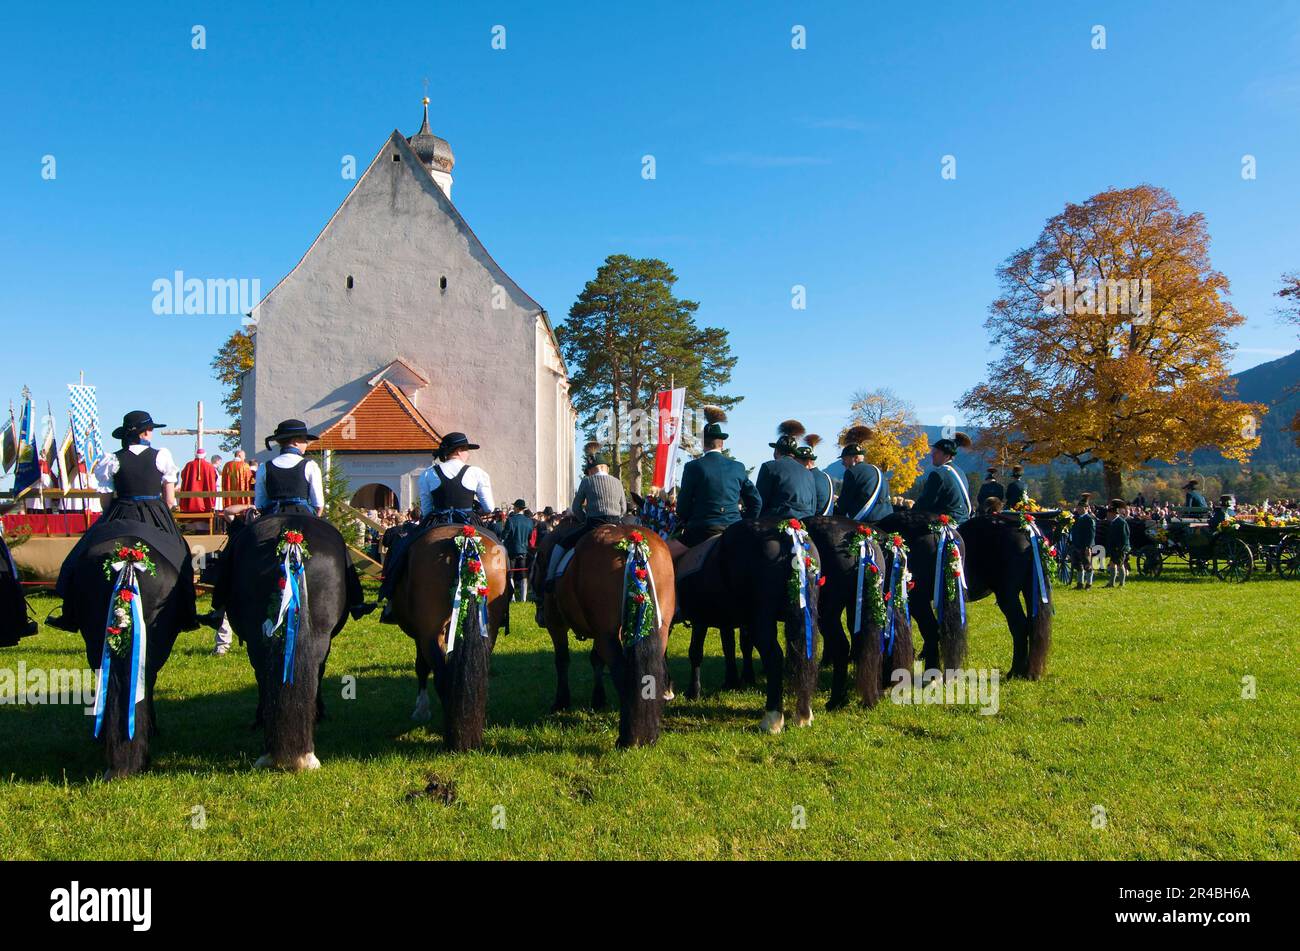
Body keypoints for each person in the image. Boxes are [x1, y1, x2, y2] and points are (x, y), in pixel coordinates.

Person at [204, 419, 371, 631]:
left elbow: (260, 503)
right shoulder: (309, 465)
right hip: (304, 514)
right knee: (337, 543)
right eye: (304, 441)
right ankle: (356, 601)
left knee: (235, 550)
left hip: (271, 515)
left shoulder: (265, 467)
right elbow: (319, 504)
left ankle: (219, 607)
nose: (306, 445)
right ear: (295, 441)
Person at [50, 410, 198, 632]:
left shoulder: (111, 459)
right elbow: (169, 500)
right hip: (155, 513)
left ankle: (69, 613)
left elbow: (105, 502)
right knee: (182, 555)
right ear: (146, 432)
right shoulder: (162, 456)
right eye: (151, 429)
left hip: (120, 511)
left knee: (78, 554)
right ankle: (188, 614)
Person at [378, 431, 494, 621]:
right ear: (459, 450)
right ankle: (504, 602)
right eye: (466, 450)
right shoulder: (477, 473)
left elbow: (426, 508)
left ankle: (391, 599)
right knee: (498, 548)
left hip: (437, 520)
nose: (468, 454)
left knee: (402, 549)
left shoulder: (429, 474)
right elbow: (489, 507)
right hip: (468, 522)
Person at [534, 444, 627, 624]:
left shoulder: (587, 482)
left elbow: (576, 506)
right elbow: (623, 507)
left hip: (593, 524)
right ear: (606, 468)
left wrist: (585, 519)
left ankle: (551, 577)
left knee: (563, 543)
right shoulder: (617, 482)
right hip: (616, 524)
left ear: (592, 470)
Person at [674, 406, 761, 546]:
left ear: (702, 443)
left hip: (701, 531)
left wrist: (690, 520)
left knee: (667, 556)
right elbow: (756, 501)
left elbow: (682, 508)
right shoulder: (738, 467)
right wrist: (743, 521)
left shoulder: (693, 467)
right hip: (735, 529)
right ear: (722, 443)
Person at [754, 420, 817, 519]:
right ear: (794, 453)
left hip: (777, 519)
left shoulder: (769, 467)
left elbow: (760, 501)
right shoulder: (808, 473)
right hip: (805, 521)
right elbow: (813, 506)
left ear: (776, 450)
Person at [833, 425, 893, 523]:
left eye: (844, 459)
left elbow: (844, 503)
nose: (843, 463)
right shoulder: (876, 470)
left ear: (855, 458)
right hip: (887, 519)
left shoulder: (851, 472)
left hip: (867, 522)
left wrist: (834, 514)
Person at [914, 432, 974, 523]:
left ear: (947, 455)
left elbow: (926, 502)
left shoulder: (939, 474)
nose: (932, 454)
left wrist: (910, 512)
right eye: (933, 451)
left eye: (936, 452)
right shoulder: (960, 472)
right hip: (963, 521)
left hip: (948, 523)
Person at [501, 499, 534, 602]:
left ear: (517, 508)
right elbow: (529, 537)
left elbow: (504, 536)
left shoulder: (511, 520)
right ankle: (523, 599)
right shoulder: (529, 521)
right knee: (524, 575)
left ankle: (513, 598)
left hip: (511, 551)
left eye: (514, 507)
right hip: (524, 550)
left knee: (510, 574)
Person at [795, 435, 834, 516]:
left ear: (807, 462)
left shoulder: (806, 477)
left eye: (797, 462)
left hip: (814, 522)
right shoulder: (826, 476)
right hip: (829, 518)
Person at [1068, 493, 1098, 590]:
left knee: (1087, 565)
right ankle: (1080, 583)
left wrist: (1088, 547)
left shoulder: (1089, 519)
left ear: (1086, 508)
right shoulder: (1077, 518)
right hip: (1076, 545)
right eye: (1078, 508)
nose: (1078, 509)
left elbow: (1091, 534)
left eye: (1081, 508)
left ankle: (1089, 584)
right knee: (1078, 565)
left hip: (1084, 546)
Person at [1104, 498, 1131, 588]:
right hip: (1114, 548)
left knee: (1120, 565)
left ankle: (1121, 584)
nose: (1107, 515)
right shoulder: (1113, 522)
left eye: (1108, 513)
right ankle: (1111, 583)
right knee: (1113, 564)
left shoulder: (1121, 523)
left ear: (1113, 513)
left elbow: (1124, 537)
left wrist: (1120, 548)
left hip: (1120, 548)